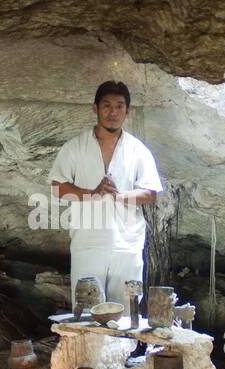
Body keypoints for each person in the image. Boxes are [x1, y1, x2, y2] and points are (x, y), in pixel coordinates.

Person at [49, 80, 163, 311]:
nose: (113, 112)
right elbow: (57, 187)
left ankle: (125, 349)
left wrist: (119, 196)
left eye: (119, 106)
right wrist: (92, 193)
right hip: (87, 242)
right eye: (107, 106)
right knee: (86, 311)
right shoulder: (75, 147)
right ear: (96, 108)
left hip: (126, 243)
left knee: (126, 312)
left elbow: (150, 192)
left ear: (127, 111)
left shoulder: (137, 149)